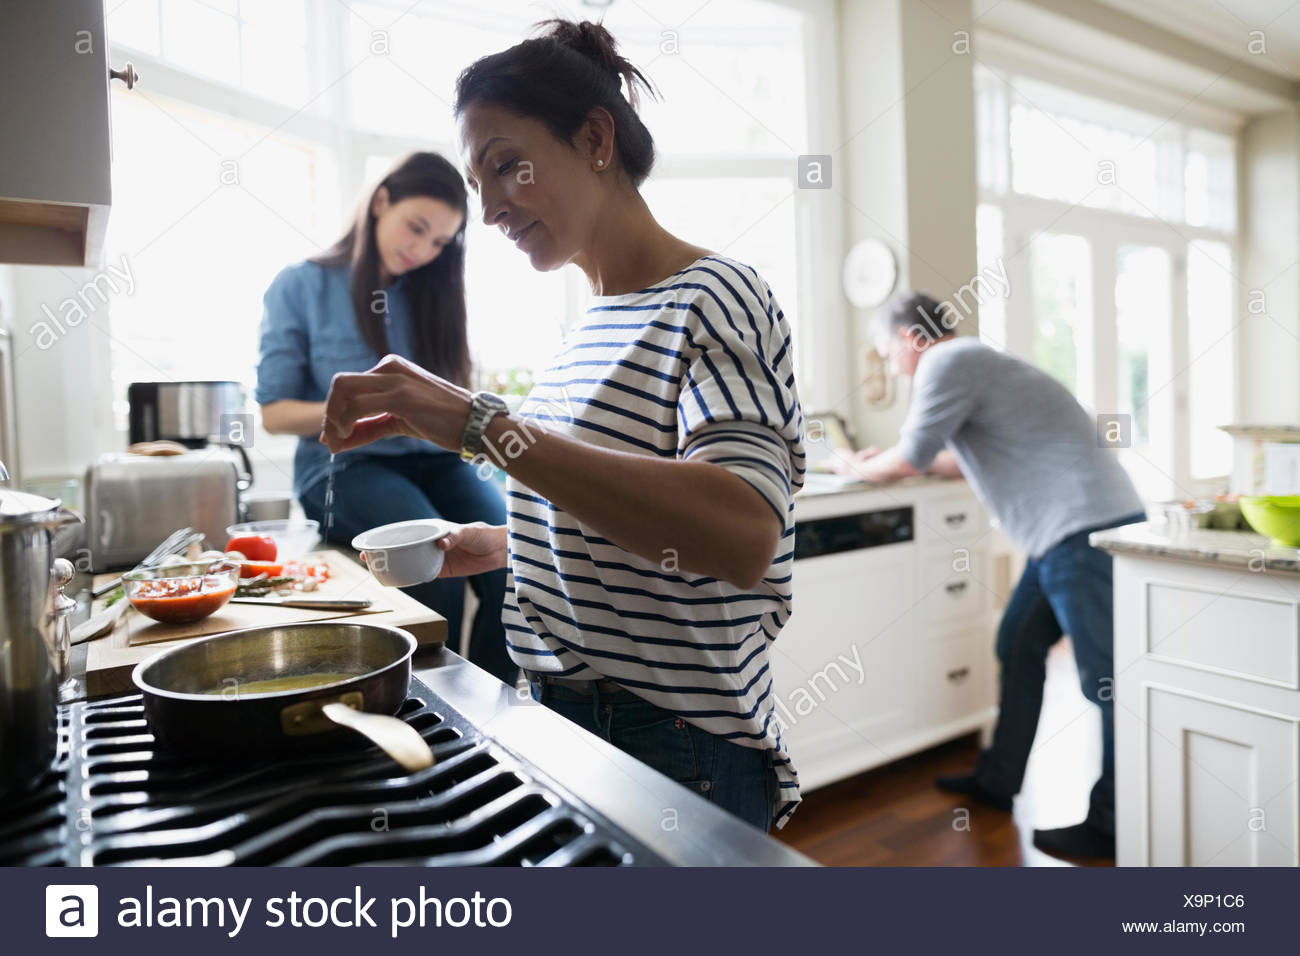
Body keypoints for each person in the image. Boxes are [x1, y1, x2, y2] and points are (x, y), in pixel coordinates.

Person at [317, 19, 805, 831]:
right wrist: (504, 541)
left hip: (673, 741)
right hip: (565, 714)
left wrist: (478, 425)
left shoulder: (714, 296)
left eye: (508, 165)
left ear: (595, 138)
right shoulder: (587, 329)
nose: (492, 207)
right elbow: (626, 520)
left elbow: (742, 532)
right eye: (480, 183)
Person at [837, 291, 1145, 860]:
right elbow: (947, 456)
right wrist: (888, 460)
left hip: (1084, 532)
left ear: (911, 339)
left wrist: (852, 465)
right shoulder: (977, 362)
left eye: (889, 354)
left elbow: (908, 458)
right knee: (1018, 643)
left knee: (1106, 681)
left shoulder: (947, 362)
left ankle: (1114, 823)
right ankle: (998, 781)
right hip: (1065, 533)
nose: (896, 368)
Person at [255, 152, 514, 685]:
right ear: (380, 202)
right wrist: (379, 407)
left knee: (511, 565)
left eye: (440, 242)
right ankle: (425, 710)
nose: (421, 251)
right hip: (347, 466)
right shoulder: (300, 285)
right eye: (416, 228)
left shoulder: (434, 294)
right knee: (427, 569)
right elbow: (275, 415)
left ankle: (489, 712)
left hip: (436, 461)